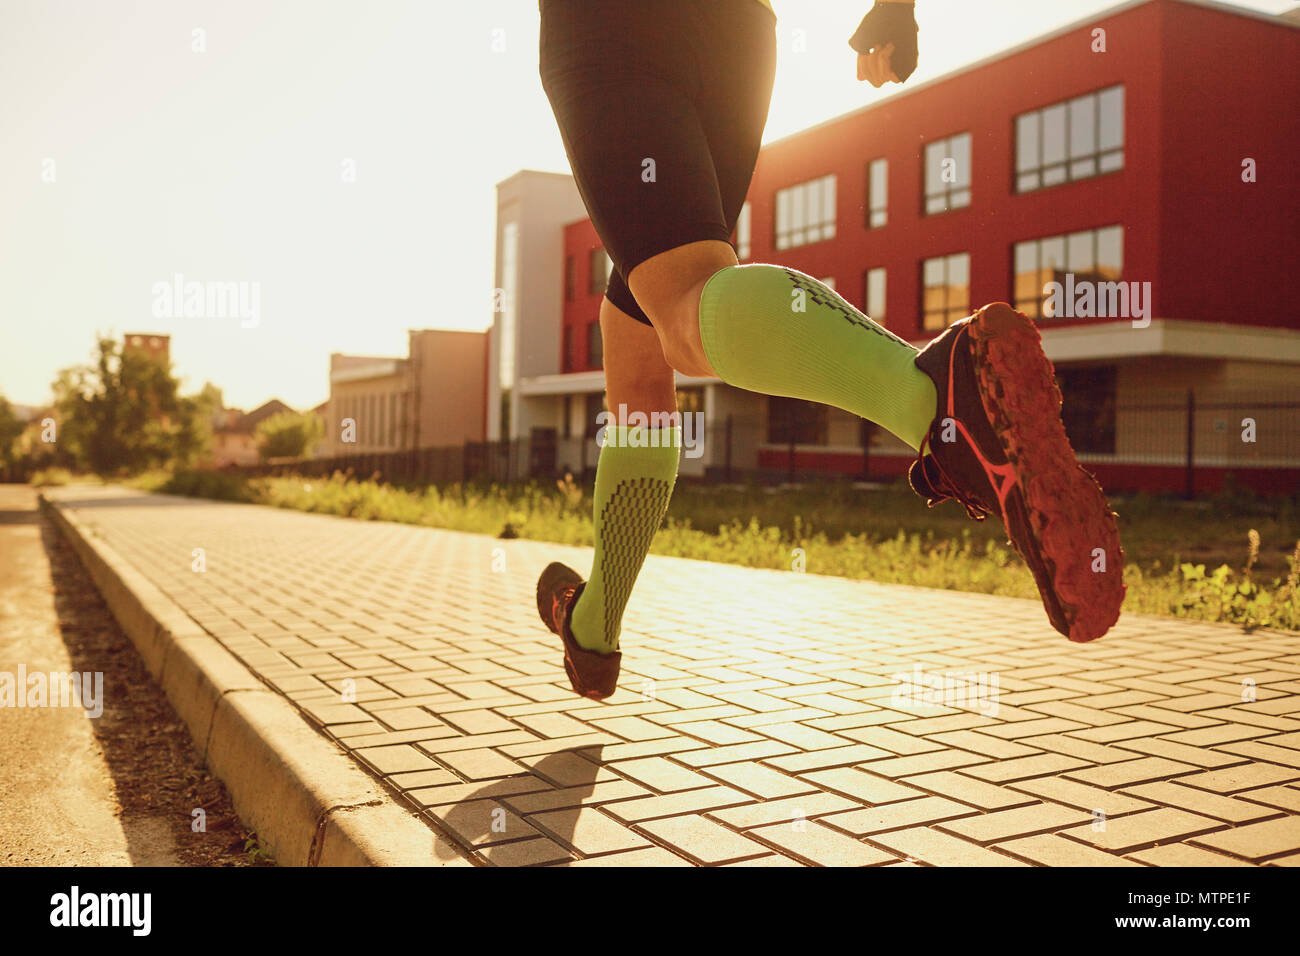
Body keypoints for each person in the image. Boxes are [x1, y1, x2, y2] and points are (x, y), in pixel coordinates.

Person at [534, 0, 1125, 701]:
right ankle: (594, 632)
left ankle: (932, 401)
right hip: (736, 37)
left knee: (685, 315)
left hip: (619, 24)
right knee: (639, 351)